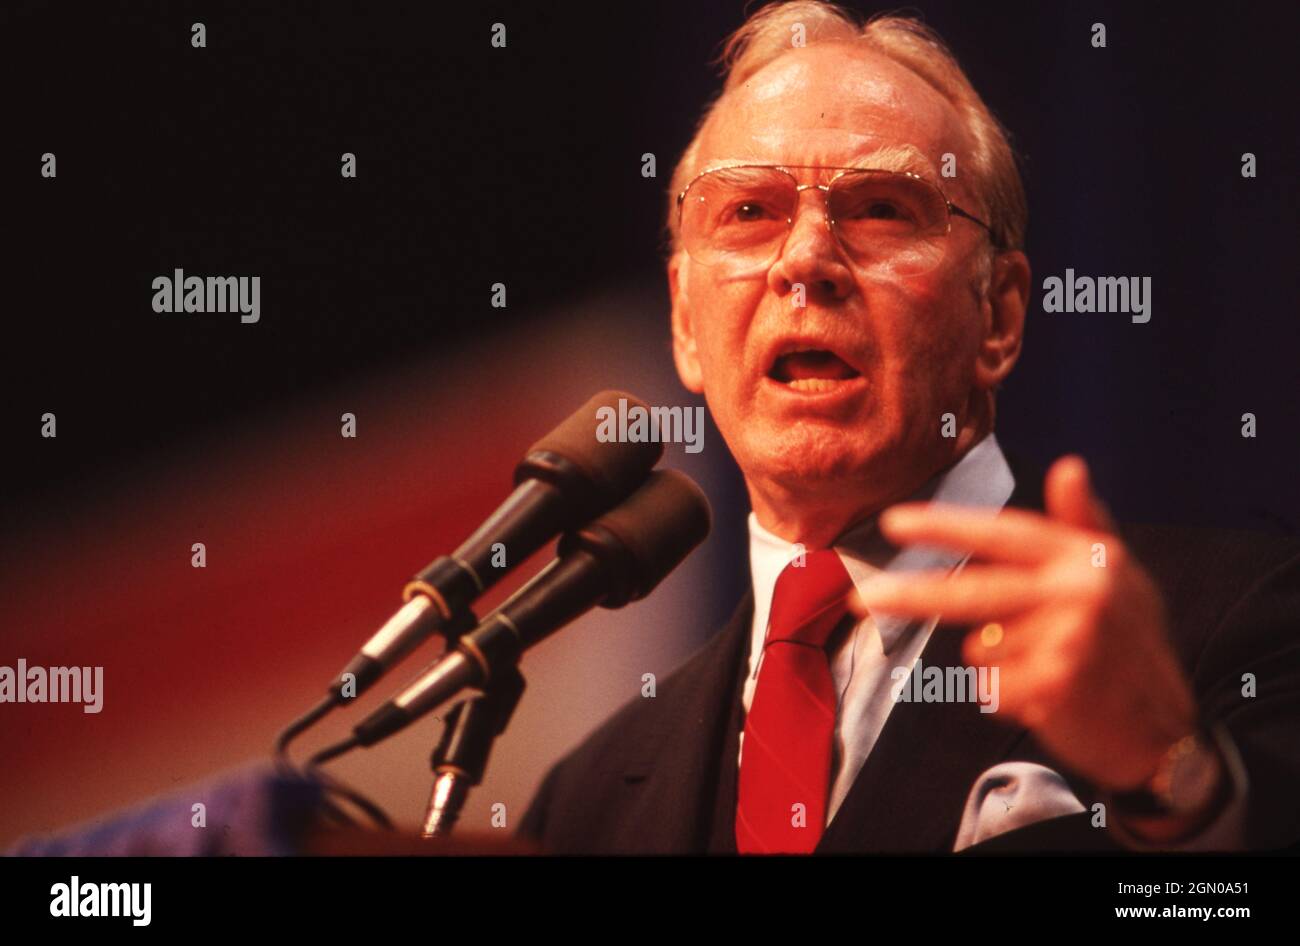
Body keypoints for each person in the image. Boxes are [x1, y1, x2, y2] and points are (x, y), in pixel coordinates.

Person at [518, 1, 1300, 854]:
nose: (806, 259)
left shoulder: (1235, 626)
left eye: (883, 209)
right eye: (748, 213)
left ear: (999, 314)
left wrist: (1168, 774)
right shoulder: (587, 803)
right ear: (682, 322)